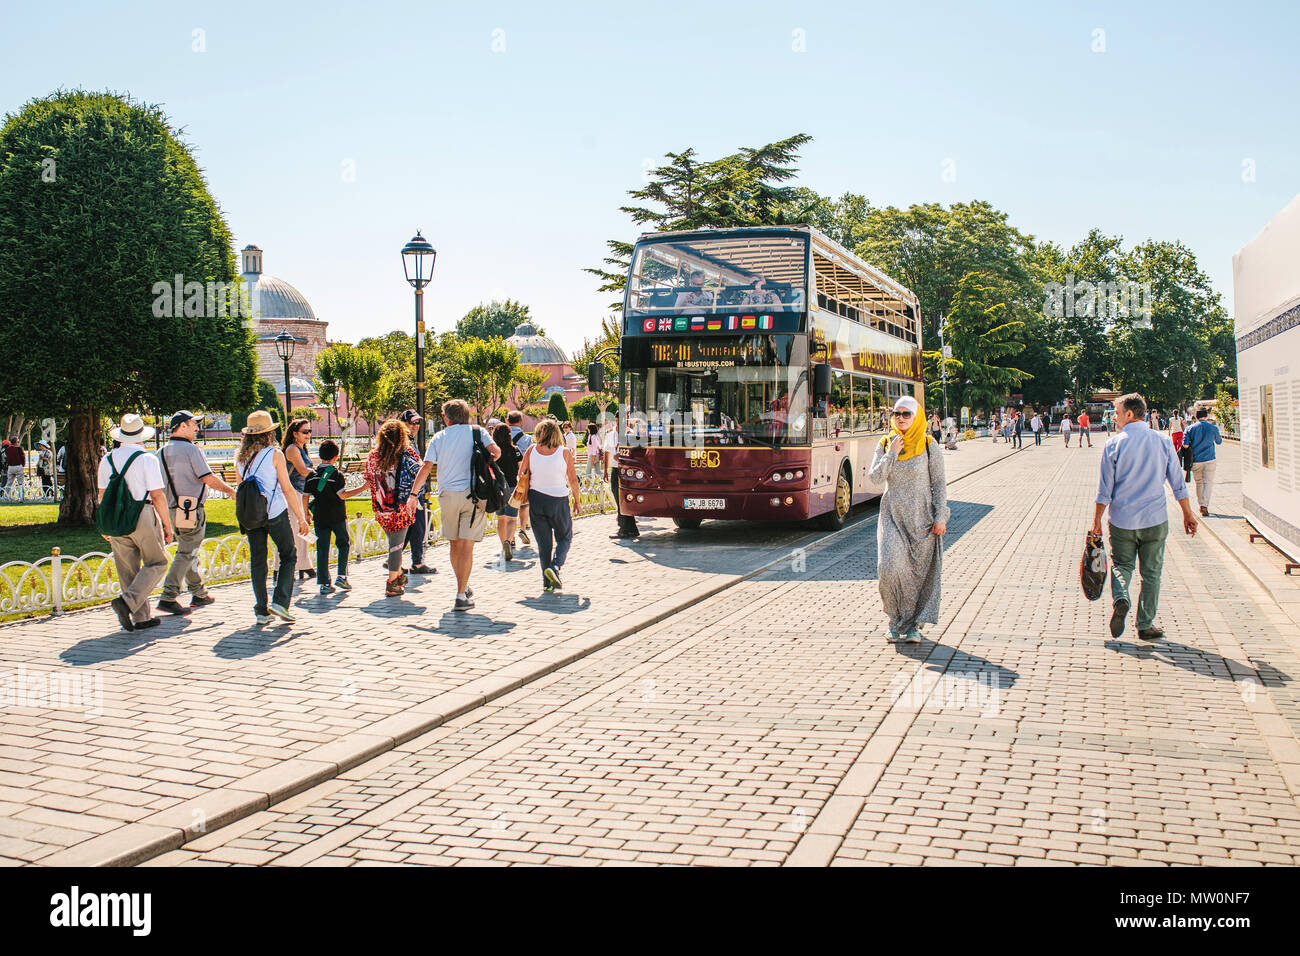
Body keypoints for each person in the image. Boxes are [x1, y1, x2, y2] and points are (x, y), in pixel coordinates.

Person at [1091, 392, 1198, 642]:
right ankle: (1145, 624)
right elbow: (1177, 483)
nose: (1114, 417)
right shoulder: (1162, 441)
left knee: (1121, 566)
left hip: (1122, 521)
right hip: (1155, 519)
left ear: (1129, 414)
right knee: (1151, 574)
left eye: (1117, 413)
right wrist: (1187, 514)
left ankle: (1121, 598)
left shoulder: (1113, 445)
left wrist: (1096, 521)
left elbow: (1104, 490)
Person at [868, 396, 949, 644]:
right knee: (889, 568)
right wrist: (891, 454)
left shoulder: (928, 445)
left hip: (921, 520)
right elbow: (875, 478)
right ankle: (894, 621)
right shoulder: (885, 443)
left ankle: (914, 625)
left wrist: (941, 516)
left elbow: (938, 484)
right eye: (897, 413)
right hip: (892, 516)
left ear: (917, 417)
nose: (900, 418)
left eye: (906, 414)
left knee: (918, 574)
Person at [408, 400, 500, 611]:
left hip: (448, 495)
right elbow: (496, 452)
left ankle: (463, 586)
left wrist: (413, 494)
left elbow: (426, 467)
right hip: (473, 493)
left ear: (445, 418)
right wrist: (480, 460)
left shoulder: (439, 437)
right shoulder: (478, 432)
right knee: (467, 546)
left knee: (455, 544)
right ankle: (461, 593)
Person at [156, 410, 236, 615]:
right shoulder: (191, 450)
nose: (197, 428)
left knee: (187, 550)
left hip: (171, 508)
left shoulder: (160, 452)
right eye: (194, 424)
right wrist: (230, 490)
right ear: (182, 426)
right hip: (190, 508)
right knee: (187, 552)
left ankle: (199, 593)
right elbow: (207, 477)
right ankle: (168, 595)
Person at [99, 414, 174, 632]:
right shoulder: (146, 459)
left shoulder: (107, 459)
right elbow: (157, 495)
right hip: (142, 512)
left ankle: (141, 617)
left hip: (115, 516)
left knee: (127, 569)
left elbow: (102, 495)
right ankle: (127, 602)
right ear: (141, 436)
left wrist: (105, 522)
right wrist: (167, 524)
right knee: (157, 563)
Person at [236, 411, 308, 624]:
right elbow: (287, 488)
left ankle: (261, 610)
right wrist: (301, 517)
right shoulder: (274, 454)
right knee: (288, 554)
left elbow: (241, 487)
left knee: (258, 560)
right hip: (274, 511)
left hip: (251, 514)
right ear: (268, 433)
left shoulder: (240, 457)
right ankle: (280, 601)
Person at [519, 418, 581, 592]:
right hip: (558, 500)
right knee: (565, 537)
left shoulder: (531, 450)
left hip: (536, 499)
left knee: (544, 544)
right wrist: (577, 500)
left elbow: (521, 474)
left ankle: (547, 584)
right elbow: (573, 480)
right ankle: (555, 566)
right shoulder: (564, 452)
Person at [364, 421, 422, 598]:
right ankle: (392, 584)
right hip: (400, 507)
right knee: (396, 547)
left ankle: (398, 575)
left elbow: (368, 478)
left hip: (381, 507)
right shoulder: (407, 453)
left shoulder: (373, 456)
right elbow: (420, 471)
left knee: (394, 544)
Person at [304, 439, 367, 594]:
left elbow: (305, 496)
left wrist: (306, 513)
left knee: (322, 548)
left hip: (319, 516)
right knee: (344, 544)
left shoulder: (311, 475)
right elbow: (342, 495)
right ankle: (342, 576)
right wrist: (362, 488)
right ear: (336, 457)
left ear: (320, 455)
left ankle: (324, 583)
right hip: (337, 515)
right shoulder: (336, 475)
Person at [397, 409, 436, 575]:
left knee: (412, 528)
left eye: (417, 423)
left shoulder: (409, 442)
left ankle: (402, 560)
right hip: (409, 492)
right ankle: (413, 562)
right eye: (411, 423)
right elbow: (413, 467)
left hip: (412, 491)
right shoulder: (403, 444)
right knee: (415, 527)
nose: (415, 426)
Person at [281, 419, 318, 581]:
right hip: (291, 493)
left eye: (309, 431)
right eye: (305, 432)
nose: (308, 435)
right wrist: (320, 472)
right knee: (292, 531)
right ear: (295, 434)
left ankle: (303, 564)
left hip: (301, 493)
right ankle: (282, 567)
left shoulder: (302, 449)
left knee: (303, 529)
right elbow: (302, 471)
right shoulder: (292, 449)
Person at [1183, 408, 1223, 517]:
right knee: (1208, 482)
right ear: (1206, 416)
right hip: (1210, 459)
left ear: (1196, 417)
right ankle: (1204, 505)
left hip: (1196, 460)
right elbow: (1219, 441)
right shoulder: (1213, 427)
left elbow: (1185, 445)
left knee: (1199, 483)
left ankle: (1201, 504)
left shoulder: (1189, 428)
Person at [492, 422, 521, 561]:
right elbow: (522, 469)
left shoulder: (493, 453)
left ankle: (503, 544)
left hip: (498, 488)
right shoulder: (515, 450)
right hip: (513, 487)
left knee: (501, 518)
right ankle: (509, 541)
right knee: (512, 519)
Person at [507, 411, 532, 547]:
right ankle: (522, 528)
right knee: (523, 504)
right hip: (521, 475)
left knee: (509, 508)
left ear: (507, 421)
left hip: (506, 474)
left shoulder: (502, 434)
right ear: (521, 422)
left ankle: (510, 538)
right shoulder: (526, 439)